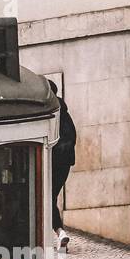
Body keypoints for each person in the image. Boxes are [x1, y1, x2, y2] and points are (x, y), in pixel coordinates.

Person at [48, 80, 76, 250]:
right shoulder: (64, 111)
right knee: (50, 198)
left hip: (53, 161)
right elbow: (72, 137)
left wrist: (53, 152)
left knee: (47, 198)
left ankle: (60, 233)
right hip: (63, 163)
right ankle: (59, 234)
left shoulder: (53, 110)